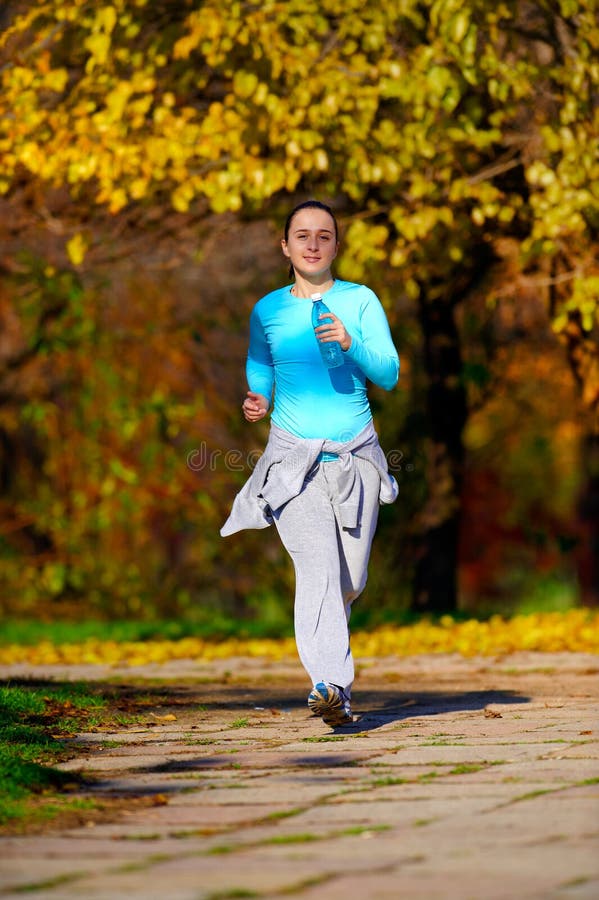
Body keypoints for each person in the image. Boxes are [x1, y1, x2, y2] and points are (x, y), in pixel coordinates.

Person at [221, 200, 399, 727]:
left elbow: (387, 372)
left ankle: (331, 679)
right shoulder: (268, 310)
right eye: (302, 235)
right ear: (286, 246)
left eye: (324, 235)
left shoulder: (360, 301)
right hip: (293, 460)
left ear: (336, 247)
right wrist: (257, 399)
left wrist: (352, 343)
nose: (313, 243)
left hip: (357, 458)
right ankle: (331, 687)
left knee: (349, 580)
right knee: (317, 568)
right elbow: (260, 368)